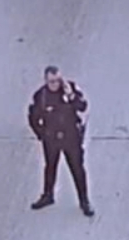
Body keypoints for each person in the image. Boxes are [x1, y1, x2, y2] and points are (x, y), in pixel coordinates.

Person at [28, 66, 94, 216]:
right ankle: (48, 195)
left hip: (71, 138)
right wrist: (41, 134)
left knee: (77, 169)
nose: (55, 84)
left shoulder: (69, 89)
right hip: (51, 139)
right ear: (46, 81)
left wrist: (71, 96)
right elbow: (33, 117)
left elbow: (82, 106)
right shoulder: (41, 96)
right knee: (50, 167)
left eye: (57, 80)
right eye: (51, 81)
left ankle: (84, 201)